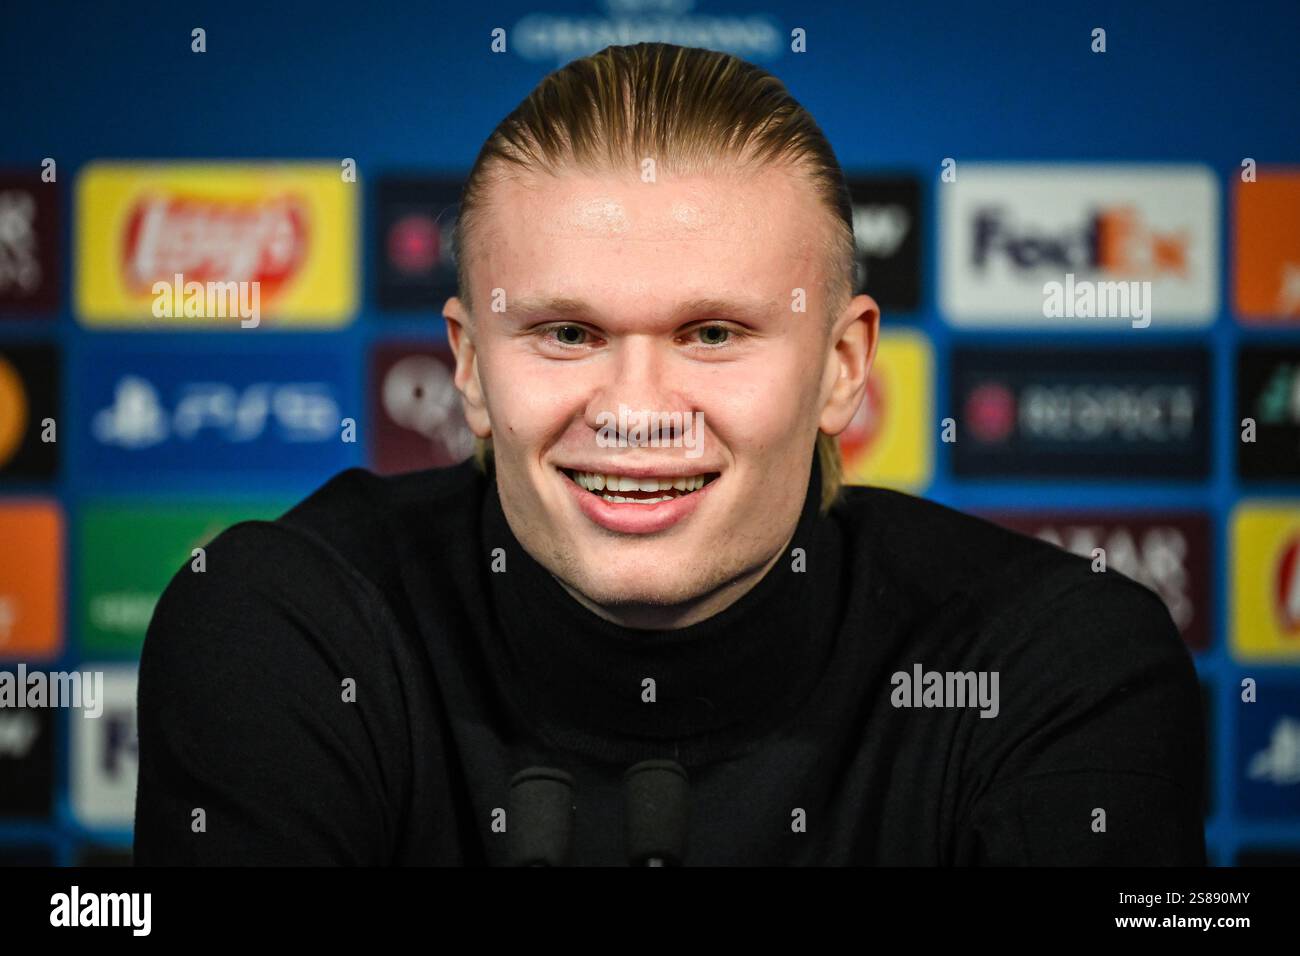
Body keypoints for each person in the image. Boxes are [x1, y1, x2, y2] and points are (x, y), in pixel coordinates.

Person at [133, 42, 1205, 865]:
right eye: (566, 333)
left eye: (712, 334)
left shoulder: (1051, 663)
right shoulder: (284, 628)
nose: (638, 412)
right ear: (468, 366)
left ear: (841, 366)